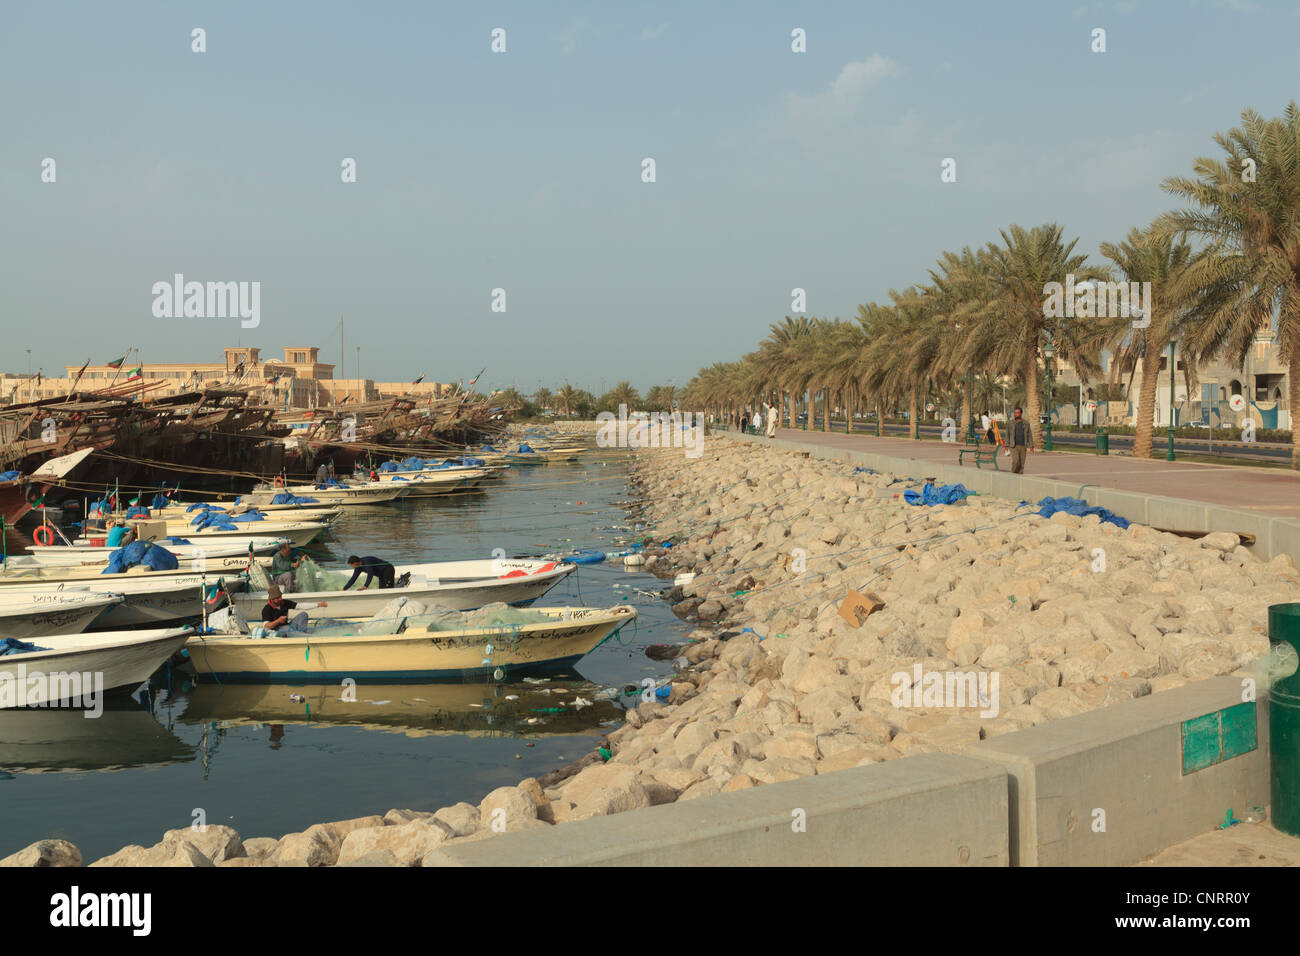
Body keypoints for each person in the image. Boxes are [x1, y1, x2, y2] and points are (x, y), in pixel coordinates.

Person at [261, 584, 327, 632]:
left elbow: (300, 606)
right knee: (289, 629)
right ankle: (300, 635)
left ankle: (302, 634)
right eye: (278, 598)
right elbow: (266, 626)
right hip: (277, 630)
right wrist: (278, 621)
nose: (281, 599)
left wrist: (318, 605)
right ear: (272, 599)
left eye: (280, 596)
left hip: (288, 626)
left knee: (303, 614)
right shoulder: (267, 609)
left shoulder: (284, 602)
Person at [1006, 406, 1034, 474]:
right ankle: (1013, 474)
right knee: (1016, 461)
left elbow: (1029, 435)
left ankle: (1020, 477)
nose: (1016, 414)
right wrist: (1006, 446)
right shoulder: (1010, 423)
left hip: (1023, 446)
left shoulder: (1026, 423)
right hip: (1013, 445)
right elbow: (1007, 434)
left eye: (1017, 413)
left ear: (1021, 413)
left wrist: (1031, 446)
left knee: (1021, 464)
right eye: (1015, 413)